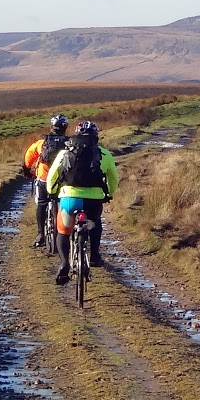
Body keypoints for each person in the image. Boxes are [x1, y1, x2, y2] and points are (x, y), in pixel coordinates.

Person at [45, 120, 118, 285]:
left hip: (69, 199)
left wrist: (51, 192)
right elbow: (113, 178)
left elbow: (52, 176)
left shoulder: (65, 152)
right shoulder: (104, 154)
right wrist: (109, 194)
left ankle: (65, 263)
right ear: (96, 136)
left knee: (63, 232)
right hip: (93, 201)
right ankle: (94, 257)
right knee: (95, 223)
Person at [21, 114, 69, 248]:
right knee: (62, 205)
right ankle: (63, 234)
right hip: (62, 181)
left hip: (44, 178)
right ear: (65, 128)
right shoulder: (69, 143)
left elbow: (28, 158)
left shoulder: (42, 143)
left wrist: (26, 171)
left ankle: (41, 234)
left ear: (51, 127)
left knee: (42, 204)